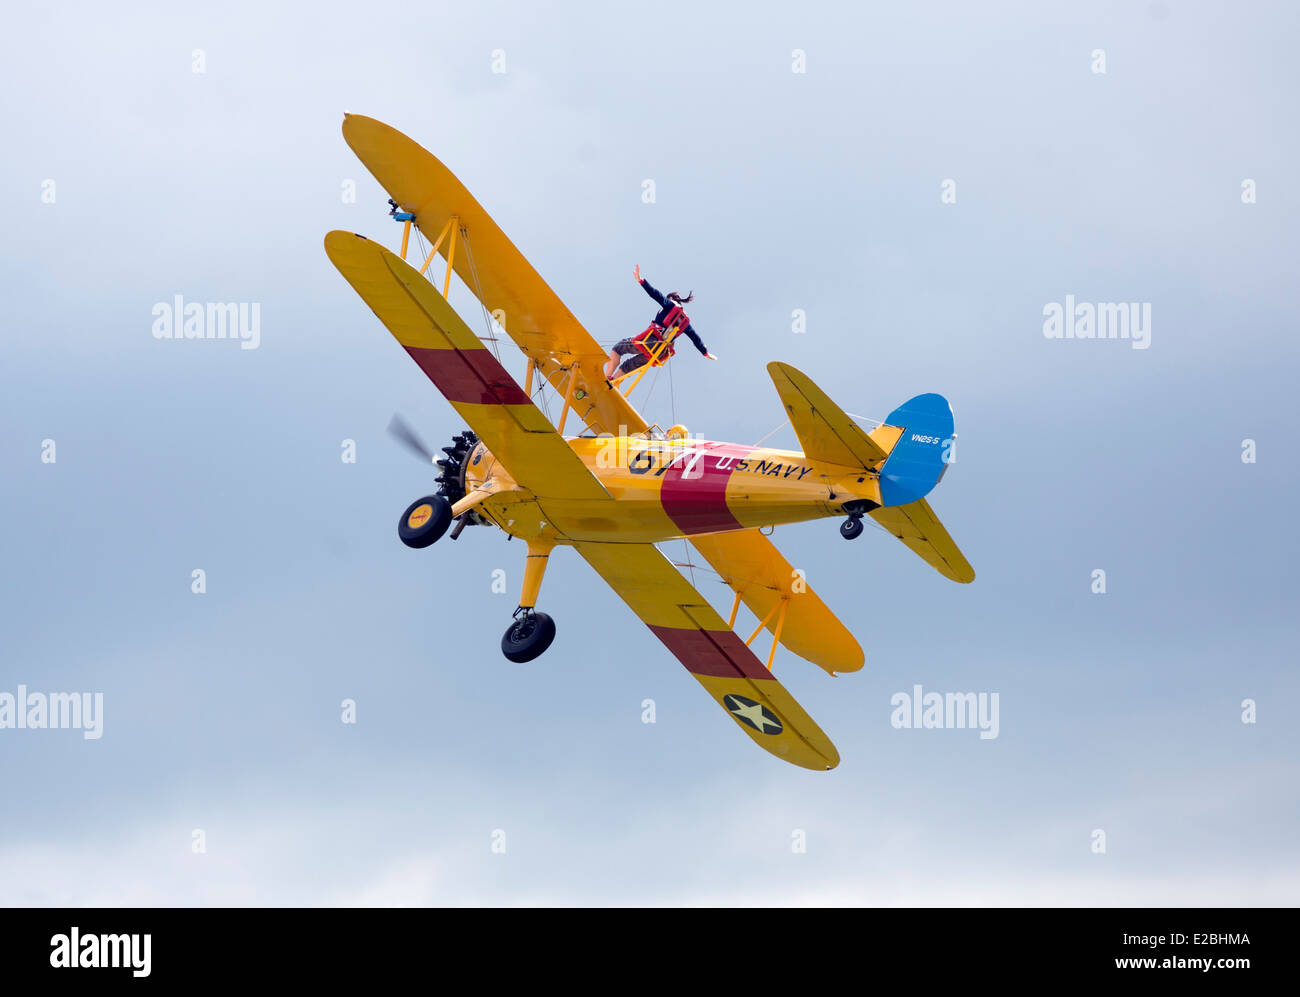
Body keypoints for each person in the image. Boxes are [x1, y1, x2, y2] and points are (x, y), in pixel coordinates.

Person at [604, 265, 718, 380]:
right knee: (628, 366)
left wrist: (641, 281)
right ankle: (613, 385)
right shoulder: (685, 322)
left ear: (671, 298)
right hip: (659, 352)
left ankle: (607, 378)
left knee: (618, 348)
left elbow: (655, 294)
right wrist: (705, 353)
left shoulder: (670, 304)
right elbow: (696, 339)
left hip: (648, 341)